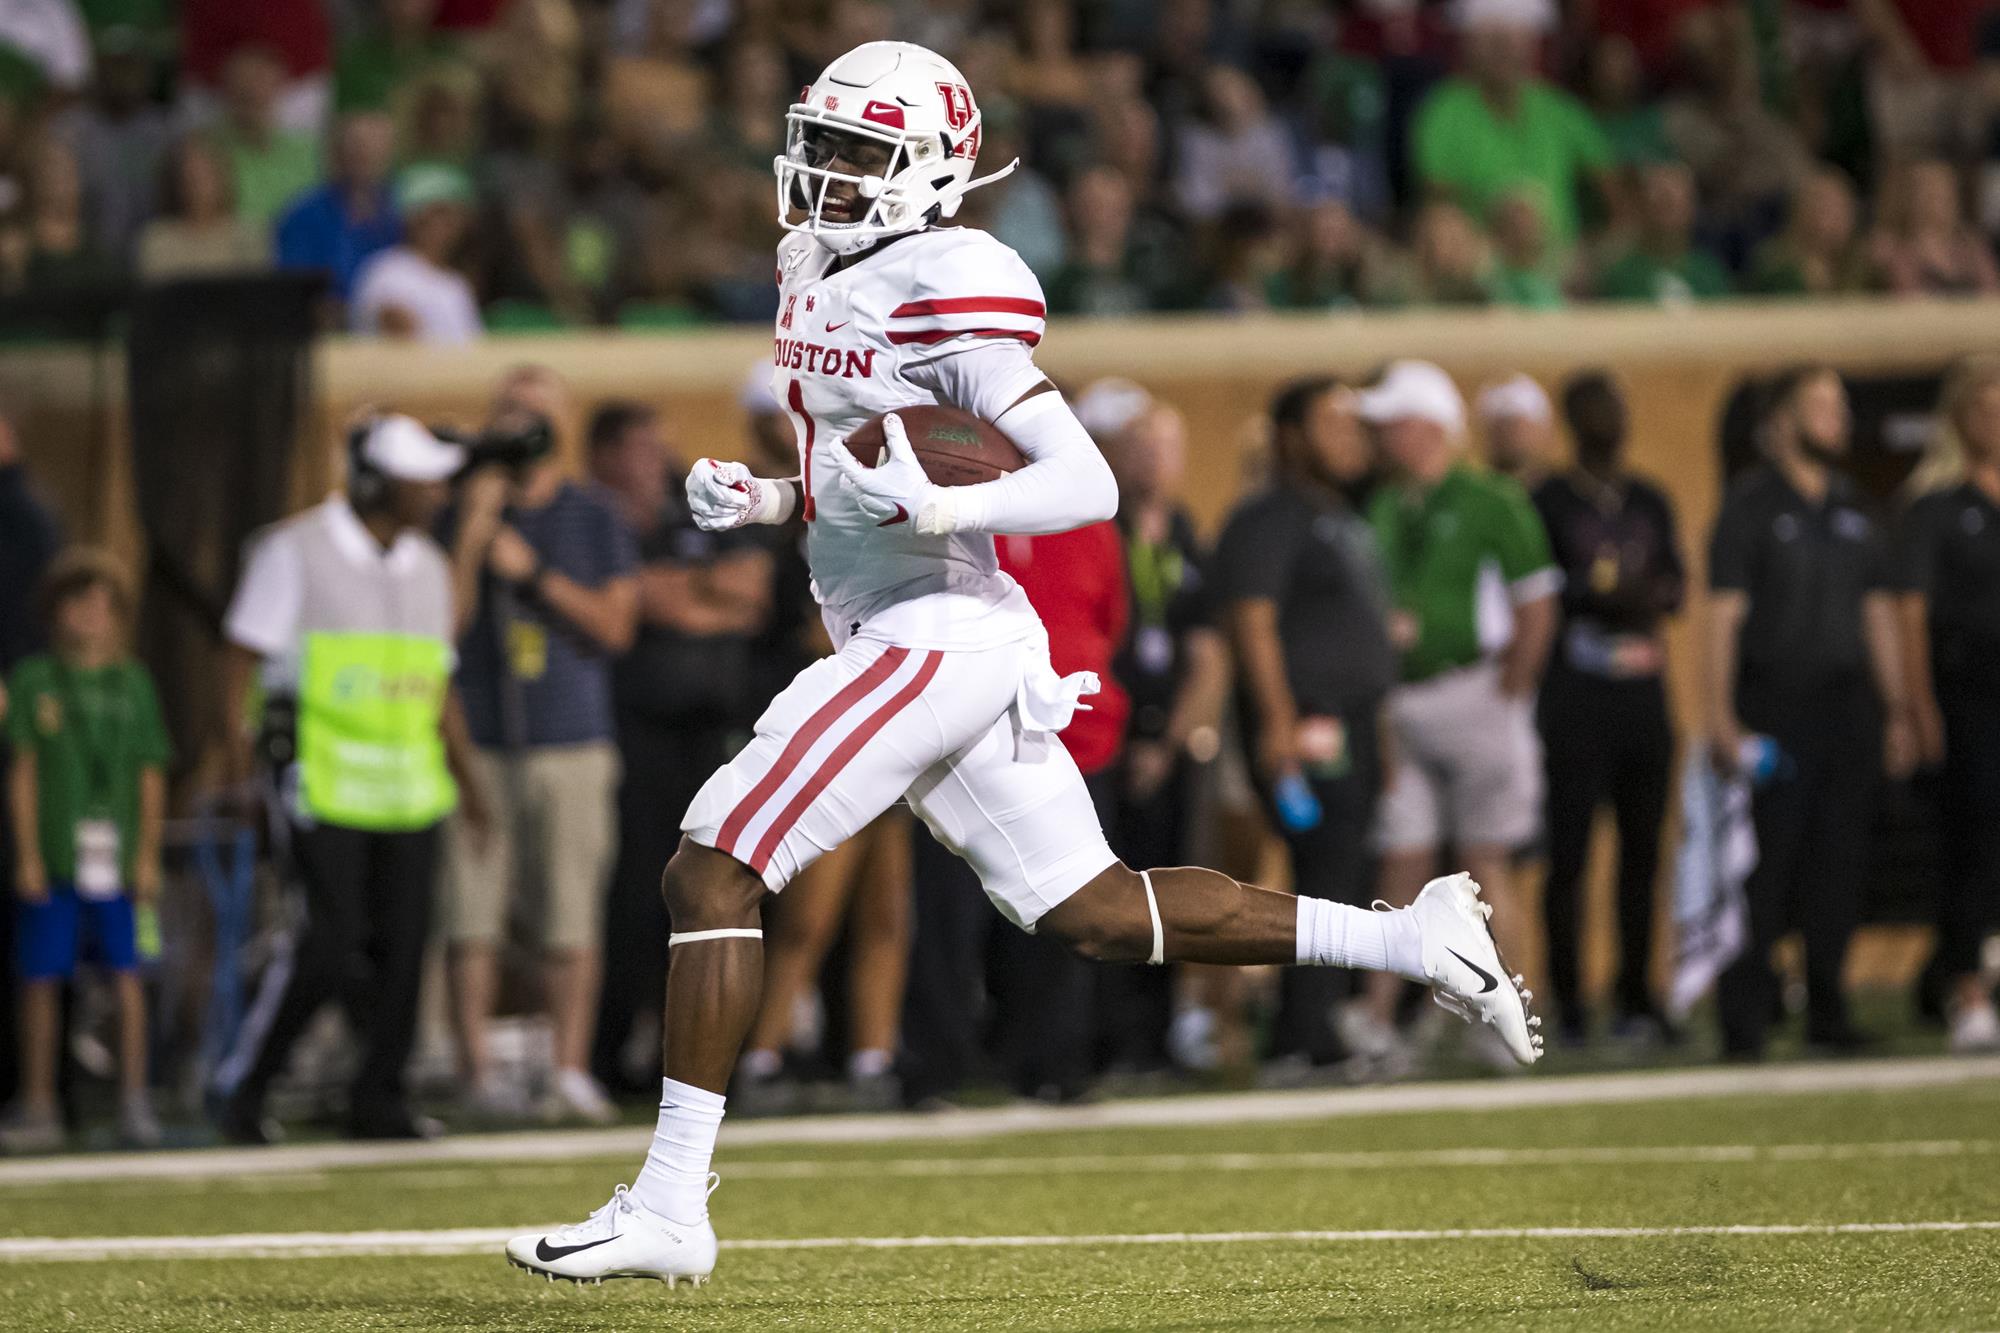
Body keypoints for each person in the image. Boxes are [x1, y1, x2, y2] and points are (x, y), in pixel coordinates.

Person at [505, 42, 1538, 1289]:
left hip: (937, 630)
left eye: (851, 152)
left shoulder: (950, 277)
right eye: (816, 142)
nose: (819, 171)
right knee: (1092, 911)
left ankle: (671, 1203)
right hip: (914, 623)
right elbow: (869, 477)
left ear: (925, 173)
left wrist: (932, 515)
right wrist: (776, 499)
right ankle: (1415, 944)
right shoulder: (815, 267)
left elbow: (1080, 480)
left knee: (713, 863)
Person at [212, 415, 482, 1143]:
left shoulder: (427, 565)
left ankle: (379, 1097)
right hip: (320, 778)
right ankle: (247, 1085)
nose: (435, 491)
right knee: (327, 943)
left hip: (407, 783)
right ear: (374, 482)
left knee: (404, 944)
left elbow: (438, 681)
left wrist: (471, 782)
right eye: (419, 478)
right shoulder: (293, 550)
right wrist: (239, 768)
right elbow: (240, 660)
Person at [439, 366, 637, 1126]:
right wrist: (475, 531)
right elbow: (440, 629)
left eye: (535, 413)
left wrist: (535, 574)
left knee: (568, 912)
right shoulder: (464, 512)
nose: (520, 427)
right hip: (478, 738)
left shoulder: (593, 515)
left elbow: (614, 627)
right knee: (471, 912)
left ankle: (569, 1068)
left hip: (570, 738)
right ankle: (475, 1071)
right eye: (508, 411)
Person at [1705, 366, 1917, 1061]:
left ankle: (1829, 1005)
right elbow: (1721, 619)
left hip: (1848, 705)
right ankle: (1745, 1016)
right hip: (1776, 707)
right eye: (1822, 406)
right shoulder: (1750, 506)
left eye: (1842, 405)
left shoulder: (1855, 508)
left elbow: (1879, 610)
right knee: (1765, 867)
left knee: (1840, 862)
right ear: (1782, 422)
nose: (1838, 419)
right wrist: (1719, 717)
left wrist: (1898, 709)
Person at [1354, 359, 1559, 1070]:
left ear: (1428, 426)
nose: (1377, 437)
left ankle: (1511, 1017)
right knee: (1402, 861)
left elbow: (1536, 598)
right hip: (1403, 701)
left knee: (1484, 861)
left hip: (1472, 692)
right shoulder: (1385, 504)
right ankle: (1377, 1021)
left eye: (1390, 423)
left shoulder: (1488, 499)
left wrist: (1510, 687)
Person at [581, 397, 780, 1098]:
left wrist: (685, 594)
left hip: (711, 734)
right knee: (638, 893)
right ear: (603, 454)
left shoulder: (688, 509)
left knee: (723, 888)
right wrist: (705, 597)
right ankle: (615, 1051)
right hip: (640, 735)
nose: (652, 462)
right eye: (637, 448)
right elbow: (639, 601)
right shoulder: (599, 520)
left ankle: (710, 1058)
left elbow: (750, 595)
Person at [1212, 377, 1399, 1076]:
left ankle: (1311, 1026)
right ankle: (1304, 1035)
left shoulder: (1342, 514)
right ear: (1292, 436)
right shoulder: (1268, 518)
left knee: (1346, 872)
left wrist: (1380, 731)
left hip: (1352, 724)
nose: (1352, 436)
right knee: (1322, 872)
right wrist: (1278, 724)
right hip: (1307, 727)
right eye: (1334, 423)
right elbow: (1252, 621)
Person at [1532, 372, 1685, 1045]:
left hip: (1642, 699)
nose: (1609, 420)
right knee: (1568, 857)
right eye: (1595, 409)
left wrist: (1630, 591)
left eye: (1615, 407)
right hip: (1576, 699)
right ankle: (1570, 1001)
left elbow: (1674, 584)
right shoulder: (1550, 499)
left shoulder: (1649, 497)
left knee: (1642, 856)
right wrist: (1612, 593)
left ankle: (1638, 996)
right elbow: (1549, 592)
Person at [2, 550, 167, 1152]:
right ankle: (39, 1102)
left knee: (127, 975)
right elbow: (22, 772)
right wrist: (26, 855)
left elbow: (152, 773)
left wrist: (148, 854)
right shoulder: (34, 681)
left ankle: (134, 1100)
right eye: (79, 603)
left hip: (117, 861)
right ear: (55, 611)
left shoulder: (134, 683)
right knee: (40, 977)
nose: (91, 617)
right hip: (55, 855)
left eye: (104, 605)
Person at [1895, 357, 2000, 1052]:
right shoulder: (1936, 505)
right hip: (1970, 692)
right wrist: (1918, 707)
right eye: (1983, 406)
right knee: (1977, 841)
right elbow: (1910, 613)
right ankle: (1964, 985)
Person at [1410, 0, 1616, 249]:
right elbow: (1438, 209)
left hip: (1562, 266)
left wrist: (1596, 256)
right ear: (1466, 42)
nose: (1504, 48)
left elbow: (1616, 193)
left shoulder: (1560, 110)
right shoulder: (1443, 112)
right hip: (1480, 266)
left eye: (1515, 36)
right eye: (1491, 37)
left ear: (1534, 43)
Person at [274, 111, 402, 308]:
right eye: (355, 147)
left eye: (371, 148)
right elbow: (294, 284)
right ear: (336, 152)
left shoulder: (399, 214)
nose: (363, 154)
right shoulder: (303, 215)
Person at [350, 163, 481, 342]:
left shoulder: (457, 284)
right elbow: (397, 330)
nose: (444, 225)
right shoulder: (387, 270)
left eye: (451, 214)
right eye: (436, 213)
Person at [1476, 373, 1555, 489]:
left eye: (1517, 424)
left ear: (1544, 430)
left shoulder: (1567, 497)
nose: (1509, 432)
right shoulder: (1473, 497)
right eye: (1501, 423)